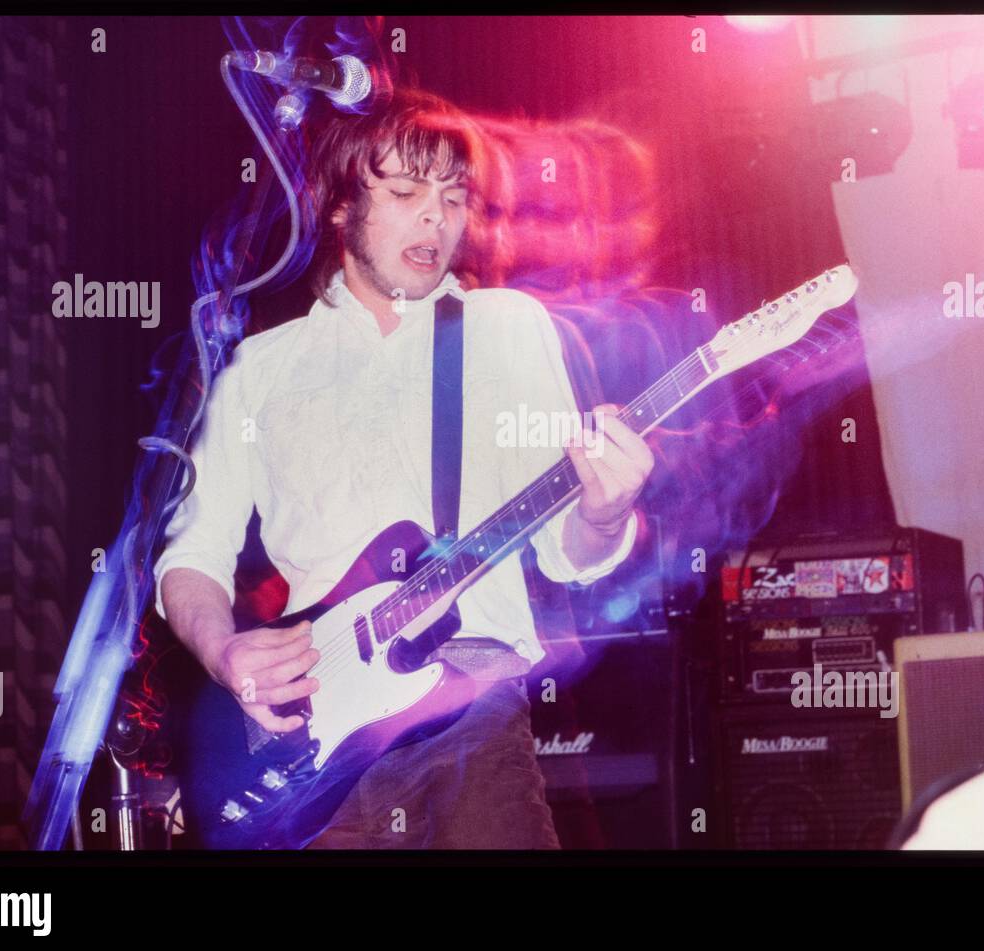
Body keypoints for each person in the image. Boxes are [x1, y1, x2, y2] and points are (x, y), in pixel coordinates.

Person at [153, 87, 654, 849]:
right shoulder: (259, 368)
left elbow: (565, 553)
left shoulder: (507, 329)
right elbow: (192, 552)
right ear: (340, 208)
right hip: (315, 732)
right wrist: (225, 655)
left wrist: (605, 514)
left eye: (453, 197)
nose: (435, 218)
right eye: (405, 193)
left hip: (472, 711)